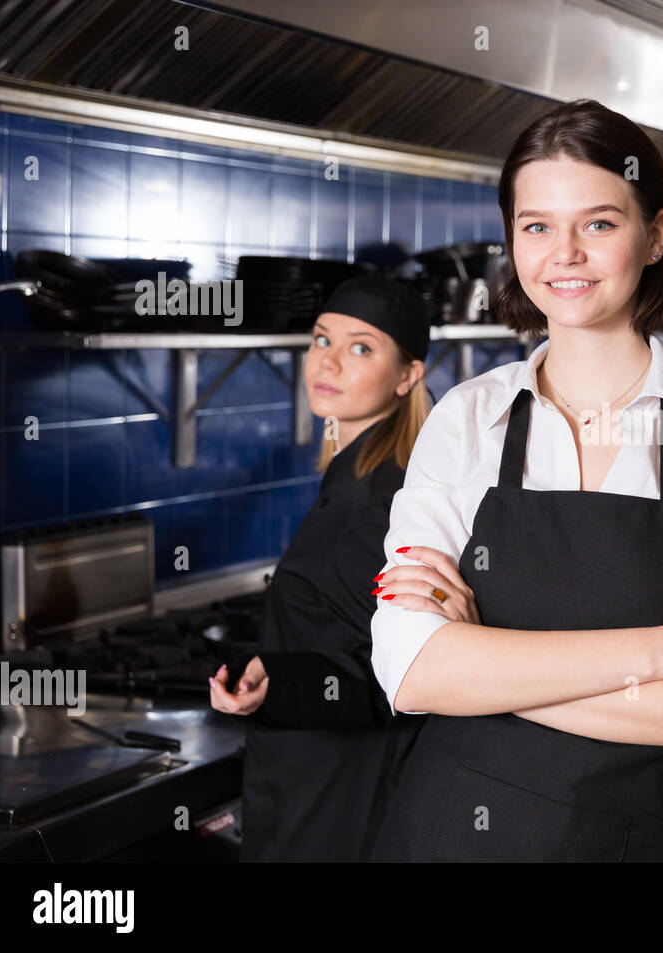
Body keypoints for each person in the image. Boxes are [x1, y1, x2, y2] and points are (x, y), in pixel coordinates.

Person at [367, 99, 663, 863]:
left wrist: (485, 664)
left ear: (656, 234)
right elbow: (410, 670)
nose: (562, 253)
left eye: (598, 223)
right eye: (536, 225)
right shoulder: (469, 418)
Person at [208, 276, 433, 862]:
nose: (328, 361)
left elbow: (394, 673)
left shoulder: (378, 501)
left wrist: (275, 682)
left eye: (361, 347)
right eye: (320, 339)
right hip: (317, 780)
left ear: (407, 375)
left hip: (336, 795)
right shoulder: (357, 475)